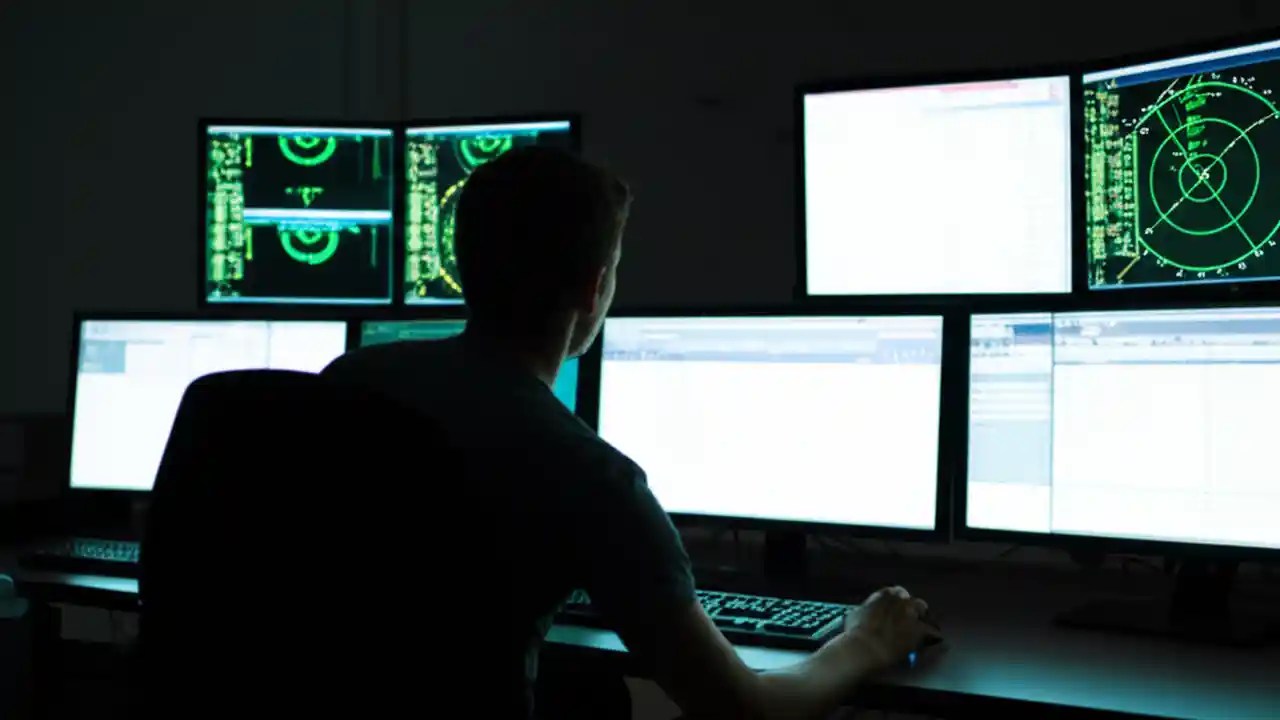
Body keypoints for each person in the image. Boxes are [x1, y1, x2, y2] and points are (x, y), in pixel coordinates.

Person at [321, 147, 938, 719]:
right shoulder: (588, 475)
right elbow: (746, 709)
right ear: (594, 289)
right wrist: (865, 643)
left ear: (464, 264)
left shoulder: (352, 380)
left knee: (595, 696)